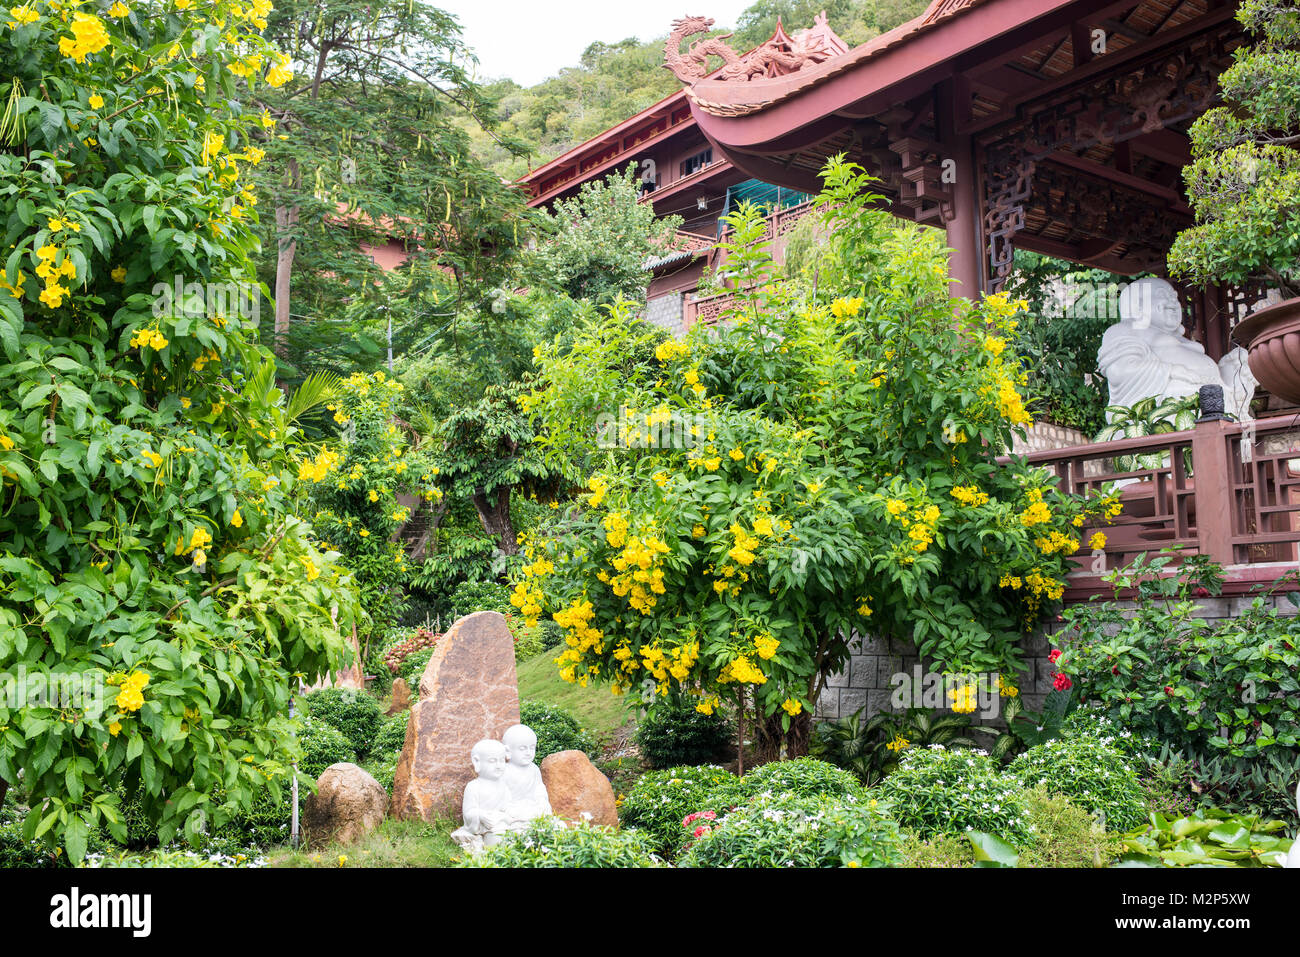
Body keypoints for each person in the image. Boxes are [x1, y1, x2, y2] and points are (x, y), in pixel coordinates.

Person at [1097, 278, 1225, 421]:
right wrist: (1170, 370)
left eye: (1175, 297)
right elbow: (1119, 371)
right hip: (1173, 405)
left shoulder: (1178, 337)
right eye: (1163, 295)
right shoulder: (1124, 329)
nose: (1173, 302)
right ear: (1137, 306)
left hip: (1215, 399)